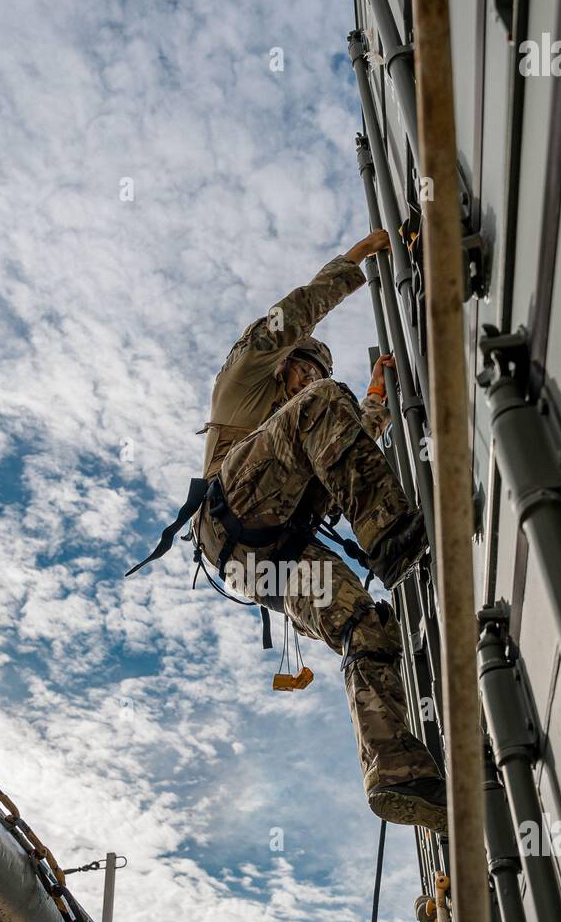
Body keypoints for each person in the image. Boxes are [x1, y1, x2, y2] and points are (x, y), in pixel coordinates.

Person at [191, 230, 447, 833]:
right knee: (327, 407)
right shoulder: (247, 380)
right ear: (287, 365)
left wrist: (378, 396)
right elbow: (297, 310)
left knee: (367, 626)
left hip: (269, 560)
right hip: (232, 512)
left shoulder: (316, 412)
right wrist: (355, 261)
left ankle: (396, 770)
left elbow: (350, 436)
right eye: (305, 369)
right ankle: (393, 536)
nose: (311, 381)